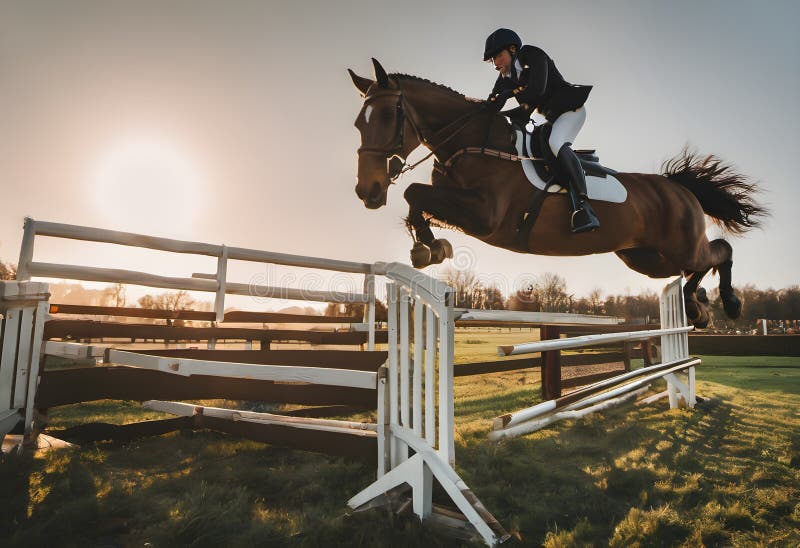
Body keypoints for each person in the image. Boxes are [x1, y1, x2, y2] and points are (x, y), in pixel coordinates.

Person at [484, 28, 600, 233]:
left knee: (555, 142)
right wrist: (480, 108)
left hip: (571, 110)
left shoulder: (532, 55)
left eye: (499, 56)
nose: (496, 63)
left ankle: (584, 207)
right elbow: (492, 103)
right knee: (537, 143)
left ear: (512, 49)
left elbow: (537, 90)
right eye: (493, 60)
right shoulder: (505, 78)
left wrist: (508, 94)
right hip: (553, 118)